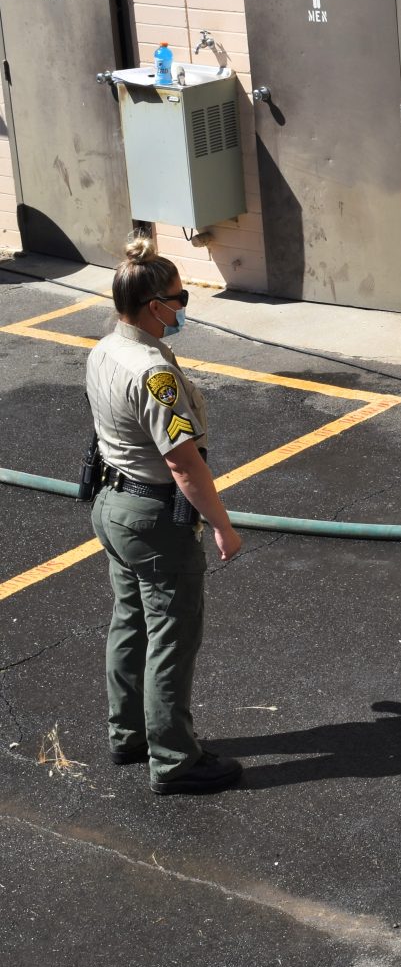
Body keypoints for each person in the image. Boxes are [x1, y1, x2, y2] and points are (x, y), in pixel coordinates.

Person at [84, 237, 244, 794]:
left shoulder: (104, 349)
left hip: (112, 507)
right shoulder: (154, 372)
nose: (182, 309)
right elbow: (183, 464)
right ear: (154, 305)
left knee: (129, 622)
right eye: (179, 300)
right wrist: (221, 524)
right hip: (153, 520)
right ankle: (174, 759)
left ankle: (126, 735)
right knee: (171, 637)